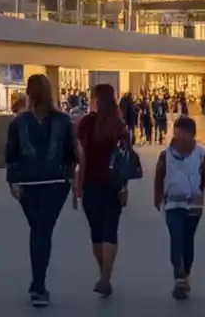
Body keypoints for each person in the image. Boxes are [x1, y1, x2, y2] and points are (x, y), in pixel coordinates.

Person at [5, 73, 80, 308]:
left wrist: (13, 181)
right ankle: (38, 284)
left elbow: (11, 155)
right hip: (43, 183)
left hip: (45, 184)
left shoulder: (25, 122)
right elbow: (12, 154)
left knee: (40, 229)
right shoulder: (53, 121)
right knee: (41, 230)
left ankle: (38, 284)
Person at [153, 115, 205, 300]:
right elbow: (159, 175)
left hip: (194, 204)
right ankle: (178, 274)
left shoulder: (201, 153)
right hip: (173, 203)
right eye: (176, 132)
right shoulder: (166, 155)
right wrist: (157, 196)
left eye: (182, 132)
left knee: (188, 239)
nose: (178, 136)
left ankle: (186, 271)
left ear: (192, 134)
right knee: (176, 236)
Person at [76, 83, 129, 296]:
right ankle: (105, 276)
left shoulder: (86, 123)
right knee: (110, 230)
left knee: (96, 232)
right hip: (114, 184)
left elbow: (78, 154)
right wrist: (125, 186)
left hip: (91, 183)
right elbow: (125, 158)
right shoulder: (119, 124)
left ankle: (103, 274)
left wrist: (76, 184)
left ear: (96, 99)